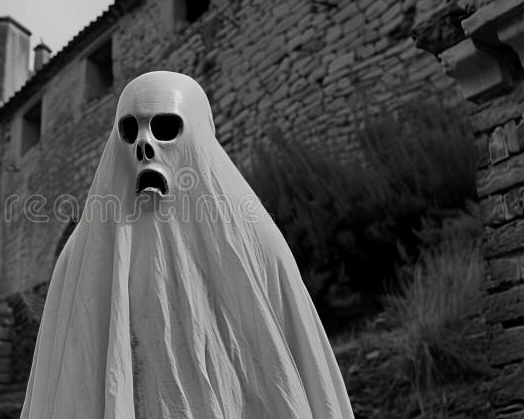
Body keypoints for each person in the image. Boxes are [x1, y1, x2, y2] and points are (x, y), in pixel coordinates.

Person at [20, 71, 355, 419]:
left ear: (196, 134)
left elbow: (291, 369)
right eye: (130, 131)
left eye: (165, 128)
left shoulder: (256, 242)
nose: (144, 145)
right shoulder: (81, 257)